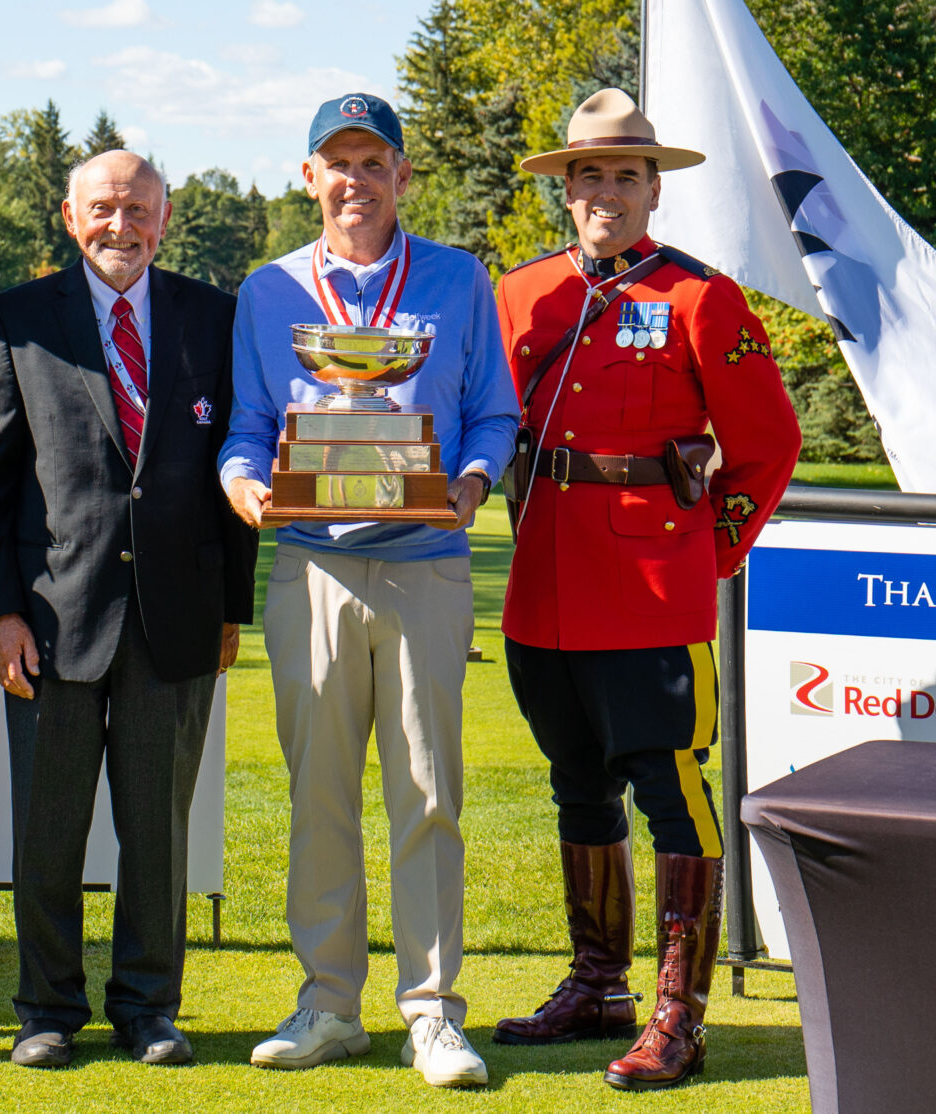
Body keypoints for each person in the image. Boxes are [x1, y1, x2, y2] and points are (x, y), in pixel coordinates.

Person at [490, 88, 801, 1091]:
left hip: (649, 587)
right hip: (542, 582)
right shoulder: (521, 293)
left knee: (673, 797)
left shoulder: (701, 299)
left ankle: (680, 1014)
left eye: (626, 174)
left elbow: (767, 447)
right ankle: (598, 984)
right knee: (577, 784)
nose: (606, 192)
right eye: (589, 175)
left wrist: (708, 552)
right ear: (565, 189)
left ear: (654, 187)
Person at [219, 92, 517, 1089]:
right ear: (309, 178)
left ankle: (432, 1011)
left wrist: (471, 481)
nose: (356, 181)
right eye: (336, 163)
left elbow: (492, 413)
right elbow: (249, 423)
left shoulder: (457, 278)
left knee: (429, 791)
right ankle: (328, 1001)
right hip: (311, 561)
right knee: (320, 794)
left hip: (425, 565)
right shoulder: (268, 290)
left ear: (402, 175)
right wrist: (241, 481)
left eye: (374, 161)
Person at [0, 149, 257, 1069]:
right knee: (46, 831)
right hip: (50, 620)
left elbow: (235, 463)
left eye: (138, 209)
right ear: (68, 215)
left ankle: (147, 1008)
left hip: (177, 615)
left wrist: (230, 609)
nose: (120, 226)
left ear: (165, 217)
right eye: (102, 209)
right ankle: (46, 1008)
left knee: (157, 833)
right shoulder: (15, 320)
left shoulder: (214, 316)